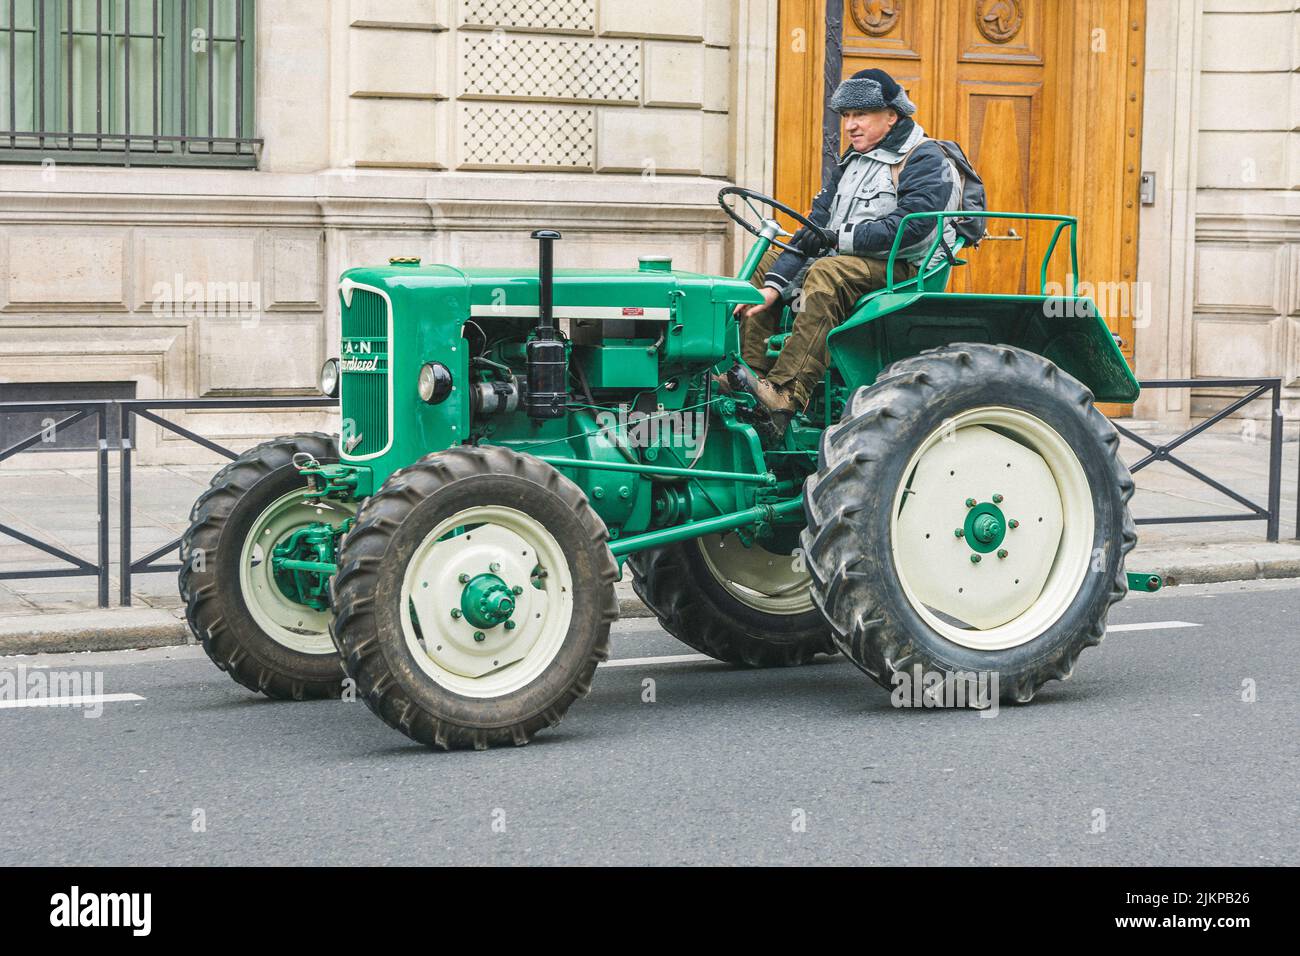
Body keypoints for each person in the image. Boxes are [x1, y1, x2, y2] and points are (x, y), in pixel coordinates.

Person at [725, 68, 962, 436]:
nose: (850, 125)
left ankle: (786, 394)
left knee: (826, 273)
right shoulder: (851, 161)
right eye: (846, 116)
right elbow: (812, 230)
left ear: (892, 116)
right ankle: (751, 379)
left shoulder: (924, 157)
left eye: (860, 115)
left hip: (902, 267)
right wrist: (773, 286)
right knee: (768, 262)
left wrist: (837, 238)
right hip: (852, 262)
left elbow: (914, 230)